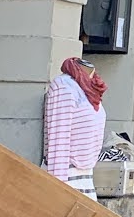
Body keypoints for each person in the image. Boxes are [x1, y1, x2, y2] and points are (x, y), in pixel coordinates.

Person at [43, 55, 106, 193]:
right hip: (67, 177)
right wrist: (57, 188)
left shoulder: (91, 89)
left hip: (86, 178)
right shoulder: (63, 86)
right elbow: (58, 137)